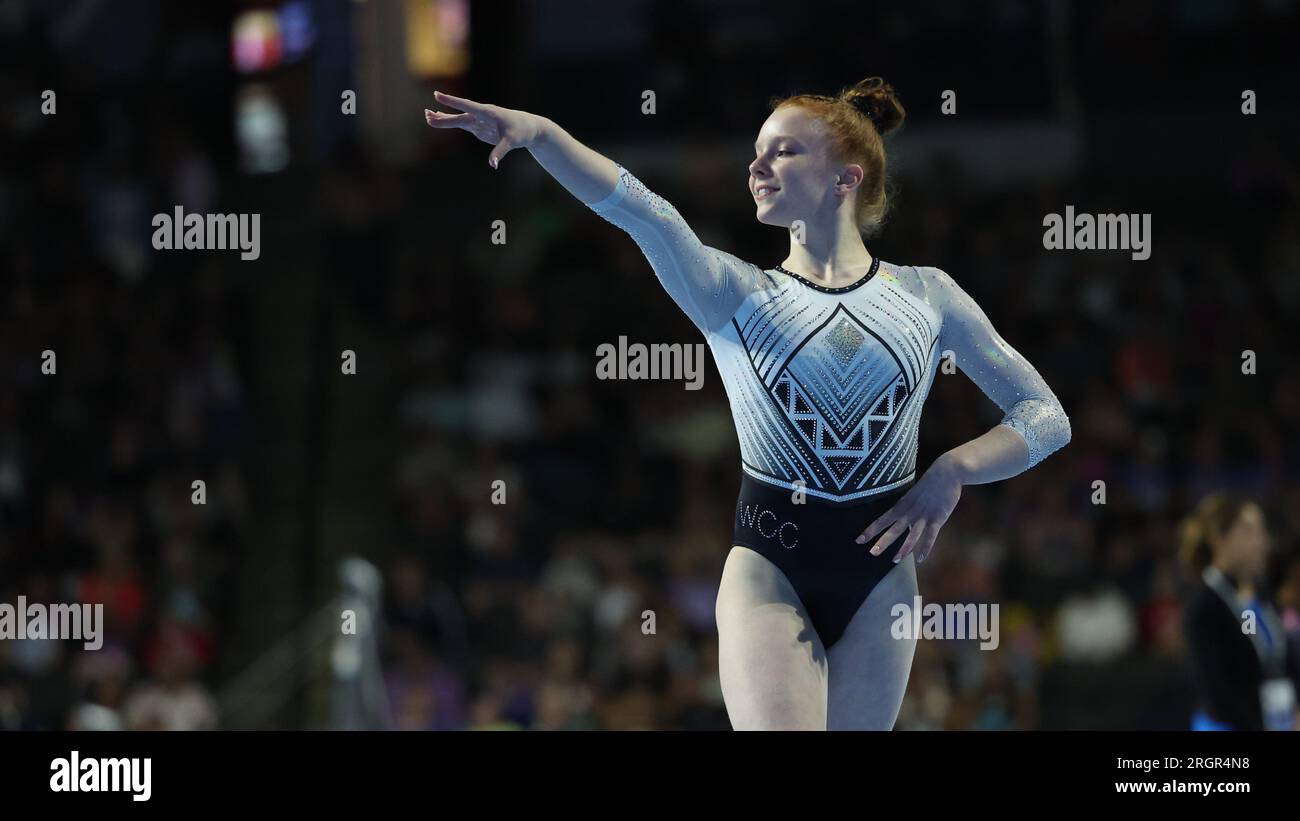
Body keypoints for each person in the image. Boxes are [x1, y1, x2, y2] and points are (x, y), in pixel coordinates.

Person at [424, 76, 1070, 729]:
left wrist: (954, 468)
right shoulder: (735, 293)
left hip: (882, 585)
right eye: (758, 150)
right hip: (772, 572)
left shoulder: (928, 297)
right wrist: (541, 134)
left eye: (784, 151)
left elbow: (1045, 415)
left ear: (845, 179)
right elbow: (643, 210)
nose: (757, 165)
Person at [1180, 492, 1300, 730]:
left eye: (1261, 532)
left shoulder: (1264, 597)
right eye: (1248, 533)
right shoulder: (1204, 607)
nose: (1261, 543)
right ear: (1219, 539)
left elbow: (1285, 662)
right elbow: (1218, 691)